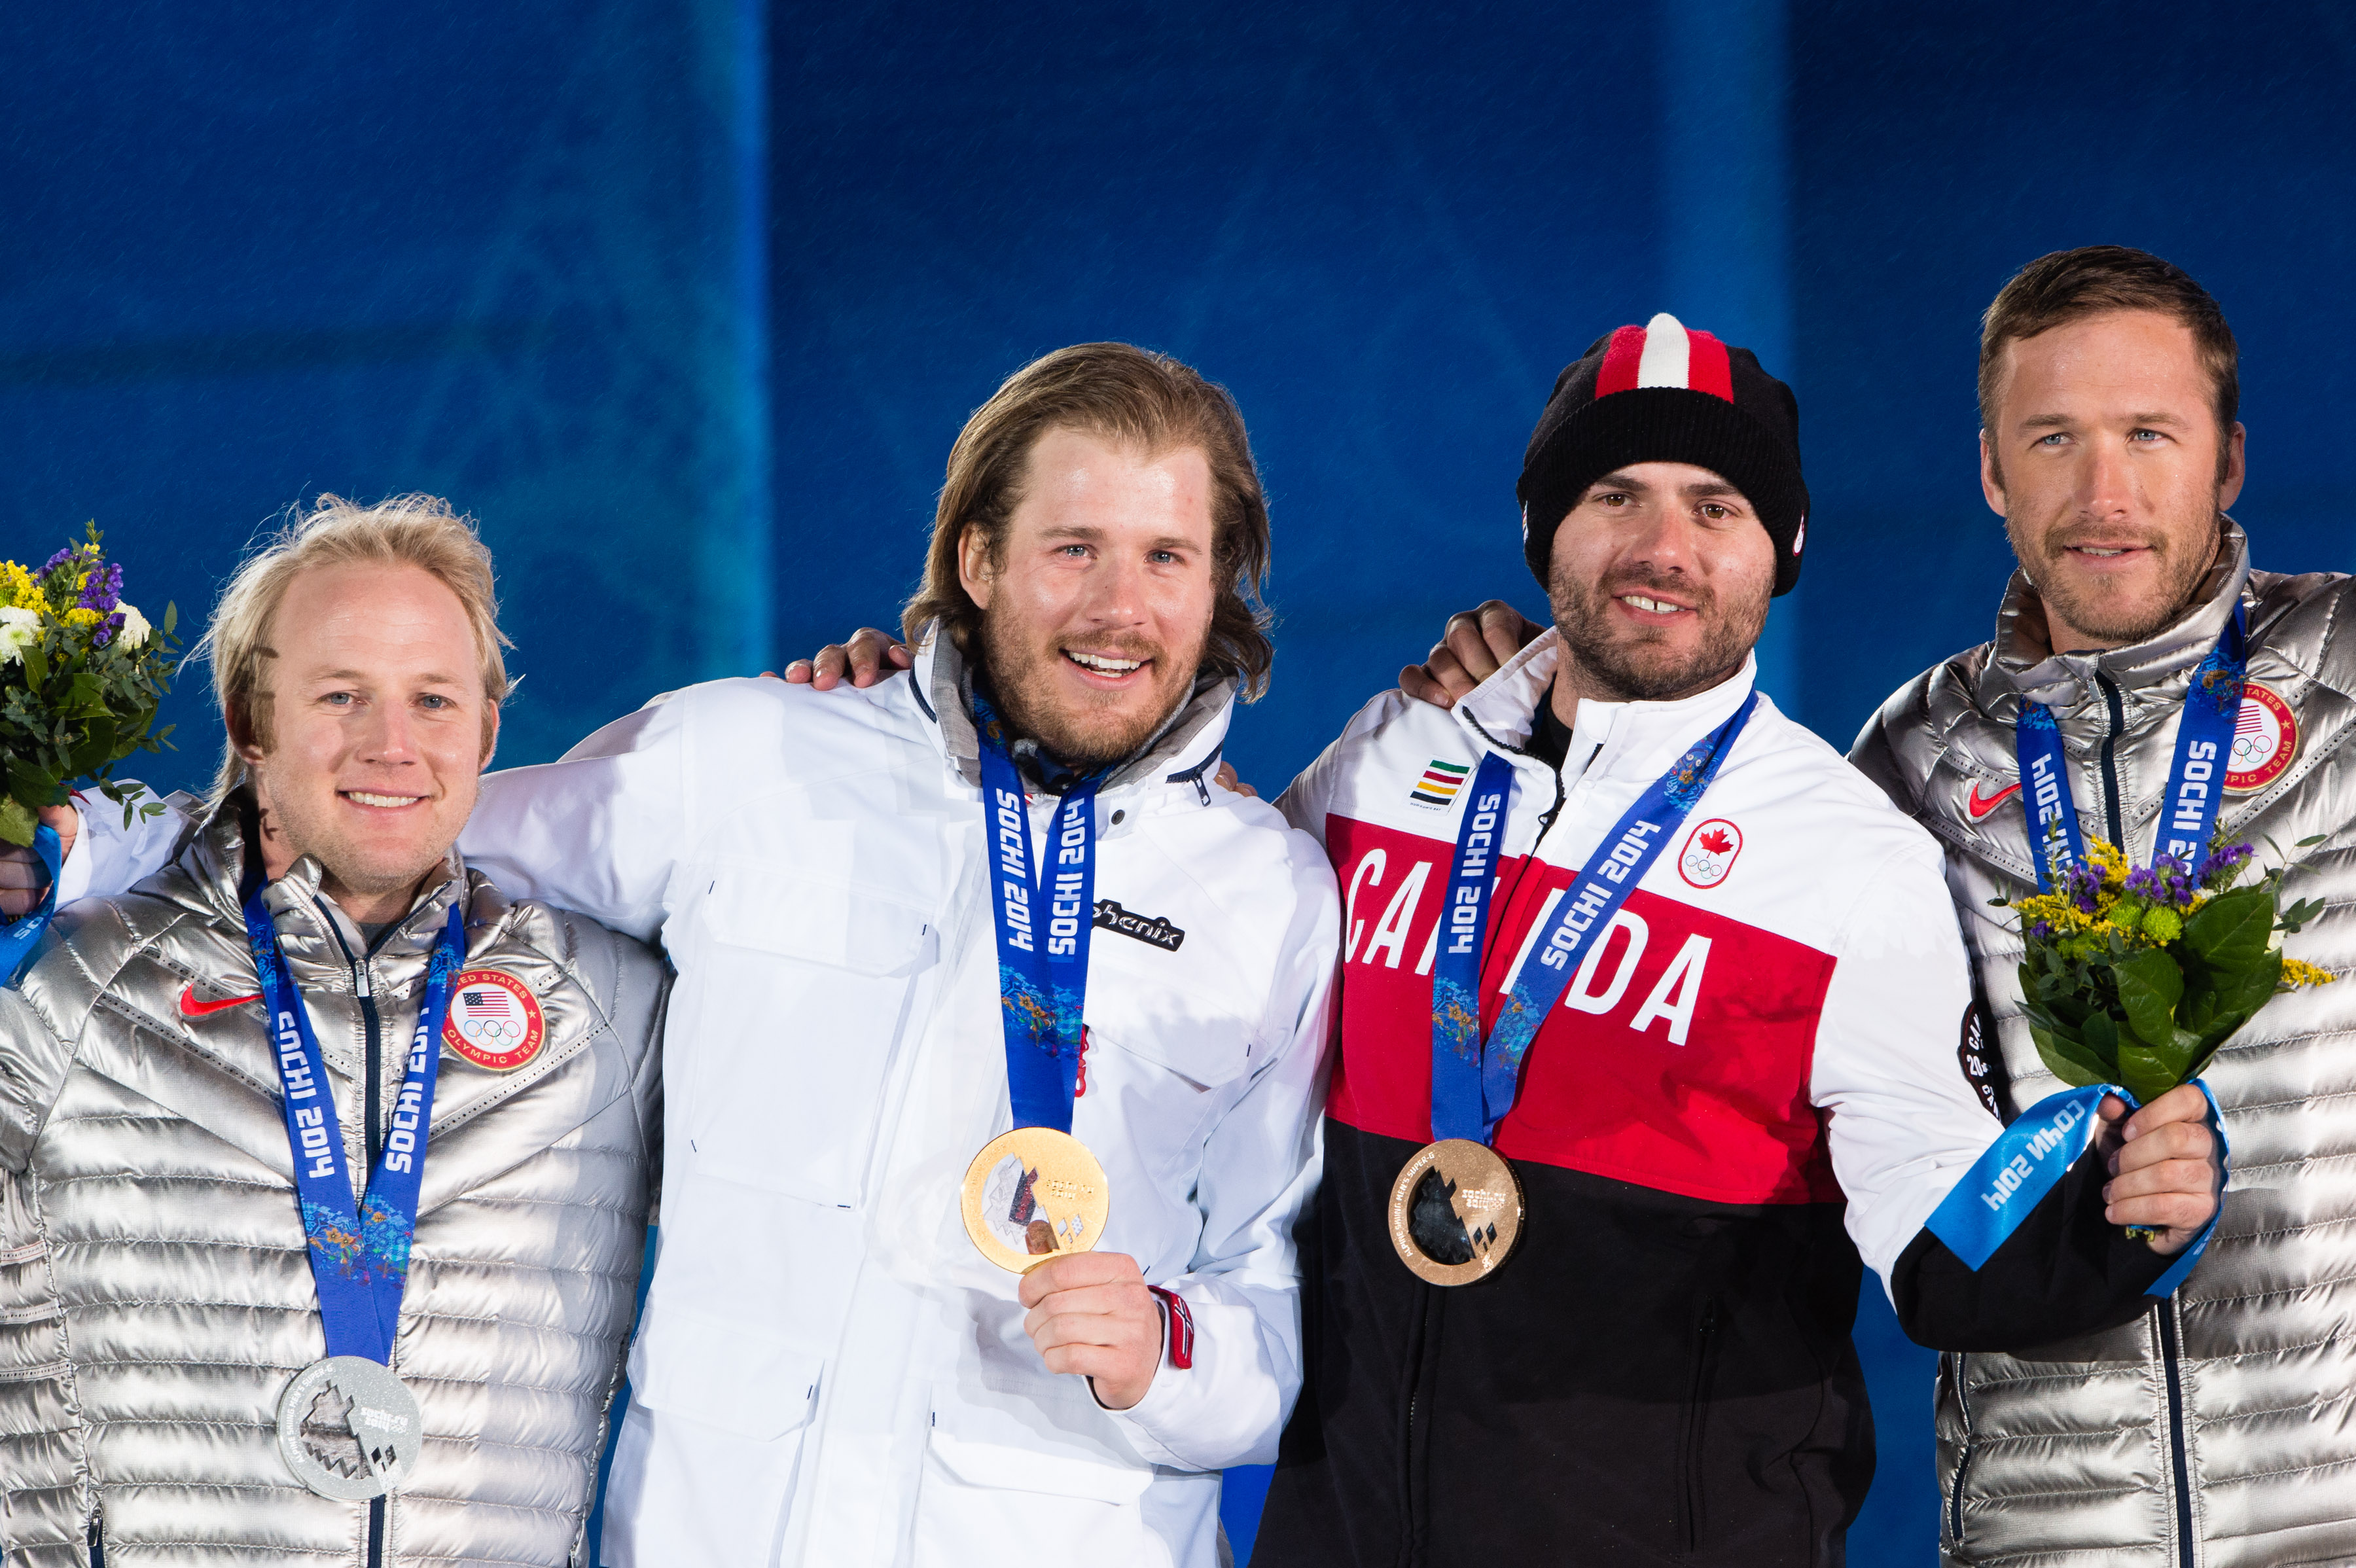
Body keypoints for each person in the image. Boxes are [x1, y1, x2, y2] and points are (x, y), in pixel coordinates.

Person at [797, 313, 2226, 1565]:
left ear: (1781, 547)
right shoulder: (1393, 752)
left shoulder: (1847, 865)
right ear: (1545, 527)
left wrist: (2123, 1215)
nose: (1663, 548)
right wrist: (928, 717)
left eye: (1716, 506)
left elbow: (1943, 1235)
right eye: (1615, 494)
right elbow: (1163, 902)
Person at [41, 344, 1340, 1566]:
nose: (1122, 607)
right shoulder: (750, 757)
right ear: (978, 559)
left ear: (1216, 584)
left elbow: (1281, 1319)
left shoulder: (1270, 895)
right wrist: (78, 851)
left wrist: (1163, 1353)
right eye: (1075, 549)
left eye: (1169, 556)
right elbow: (392, 813)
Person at [1406, 249, 2350, 1566]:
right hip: (2052, 1532)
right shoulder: (1907, 761)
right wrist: (1536, 697)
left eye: (2151, 434)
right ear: (1991, 474)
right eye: (2053, 438)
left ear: (2230, 461)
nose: (2105, 491)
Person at [0, 495, 664, 1565]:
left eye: (434, 701)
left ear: (489, 732)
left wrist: (884, 711)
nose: (391, 744)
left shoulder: (611, 1011)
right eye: (341, 695)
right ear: (251, 724)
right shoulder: (67, 981)